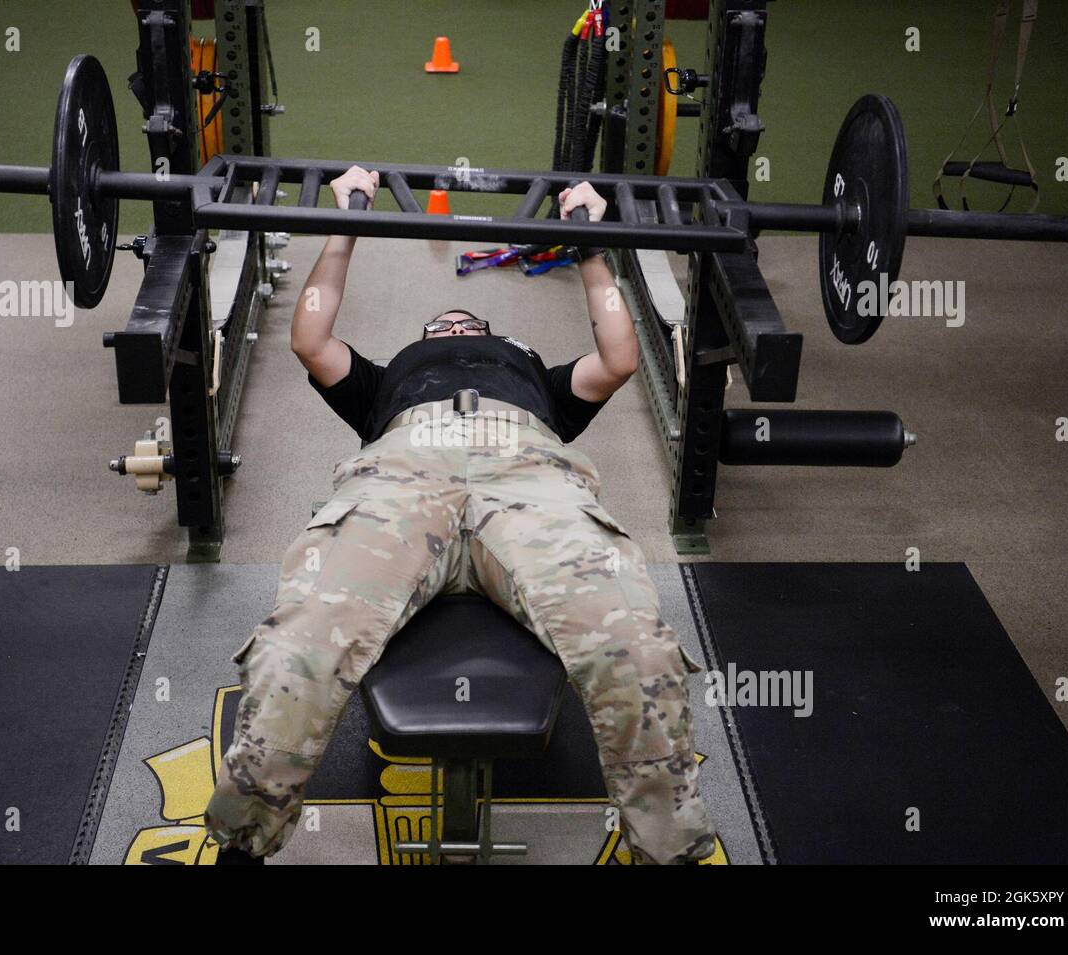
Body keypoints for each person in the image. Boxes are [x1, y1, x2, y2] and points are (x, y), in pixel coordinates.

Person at [206, 166, 714, 865]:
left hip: (527, 472)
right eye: (439, 323)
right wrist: (346, 225)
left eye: (466, 321)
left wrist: (592, 247)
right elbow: (311, 338)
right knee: (301, 644)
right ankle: (242, 845)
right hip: (404, 472)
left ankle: (670, 850)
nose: (453, 322)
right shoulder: (390, 379)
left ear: (493, 334)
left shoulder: (532, 372)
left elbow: (620, 355)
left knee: (636, 643)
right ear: (420, 340)